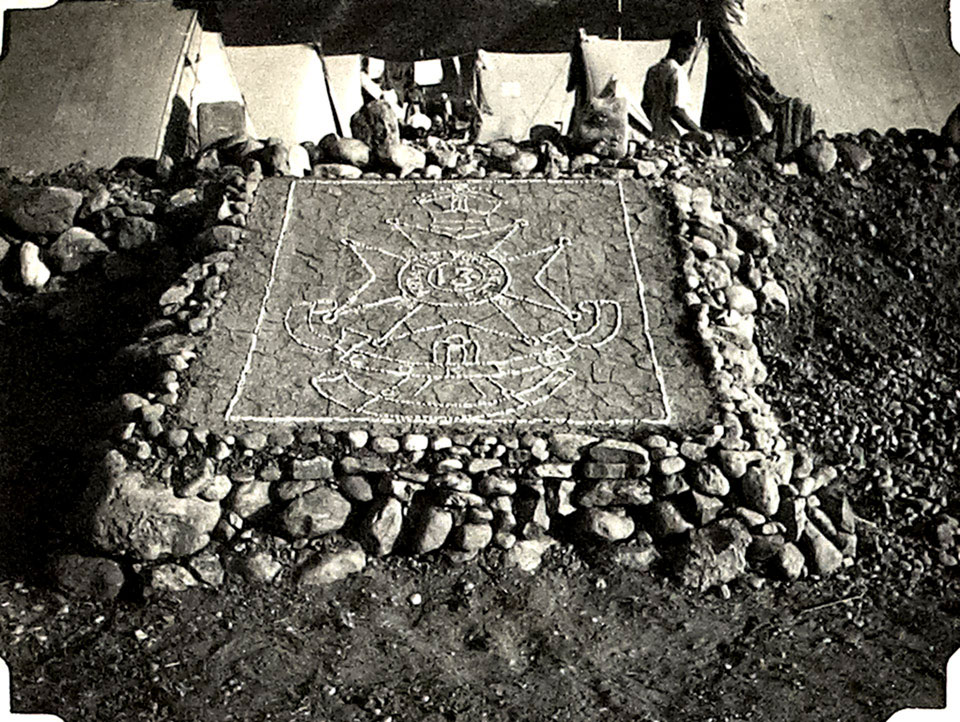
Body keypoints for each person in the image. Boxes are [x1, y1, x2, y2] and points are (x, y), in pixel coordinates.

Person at [642, 30, 713, 146]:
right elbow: (677, 110)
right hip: (674, 138)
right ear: (679, 48)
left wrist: (658, 122)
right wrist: (698, 131)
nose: (688, 59)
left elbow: (645, 104)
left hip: (656, 136)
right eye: (688, 53)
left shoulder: (653, 70)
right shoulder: (676, 72)